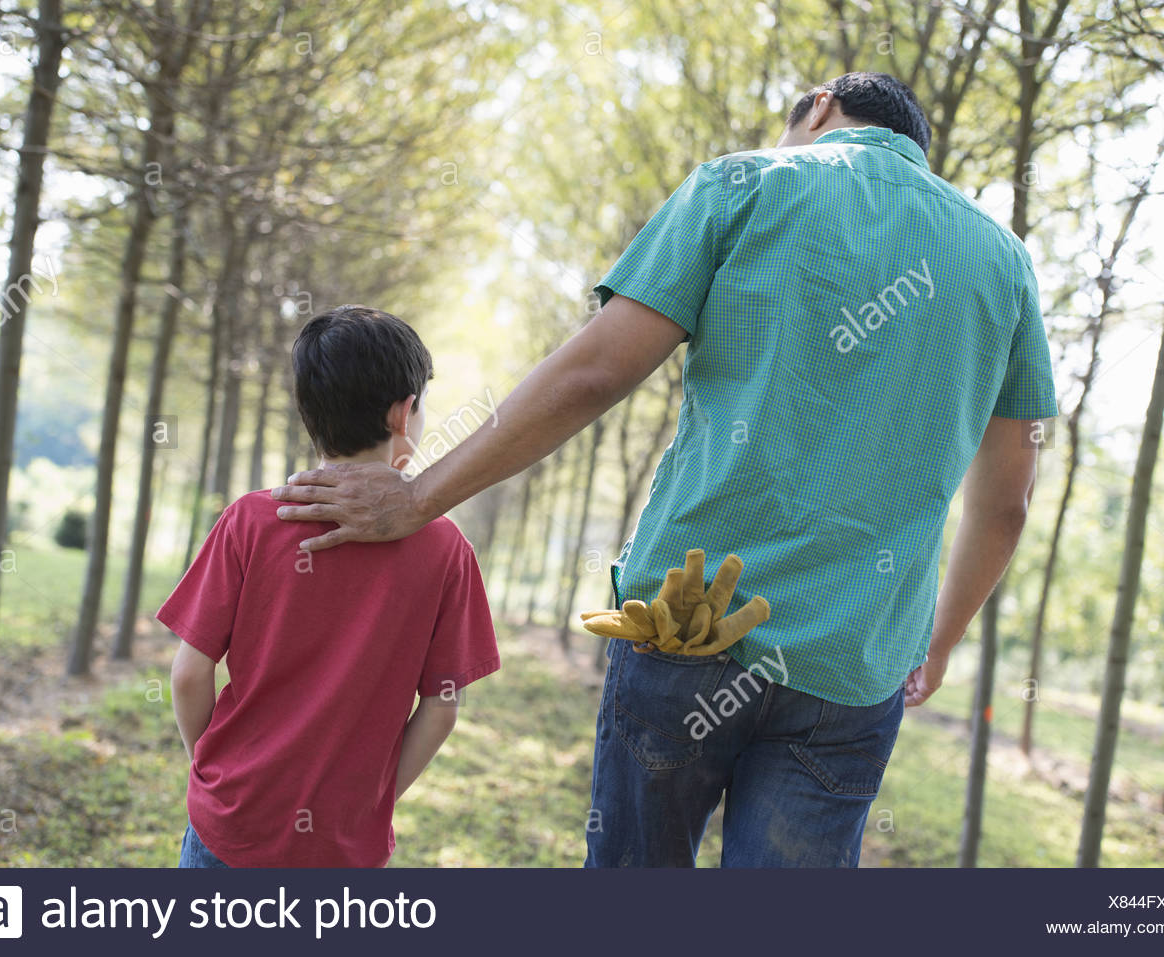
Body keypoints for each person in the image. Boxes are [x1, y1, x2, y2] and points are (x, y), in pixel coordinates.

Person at [271, 73, 1057, 867]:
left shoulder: (742, 184)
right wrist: (938, 642)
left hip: (688, 627)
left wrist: (418, 496)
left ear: (818, 105)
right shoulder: (1003, 263)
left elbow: (595, 373)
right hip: (853, 667)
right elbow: (1006, 505)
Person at [161, 305, 500, 867]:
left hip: (230, 828)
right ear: (405, 412)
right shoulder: (446, 550)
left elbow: (189, 672)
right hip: (343, 849)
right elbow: (441, 709)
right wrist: (370, 805)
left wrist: (218, 777)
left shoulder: (249, 521)